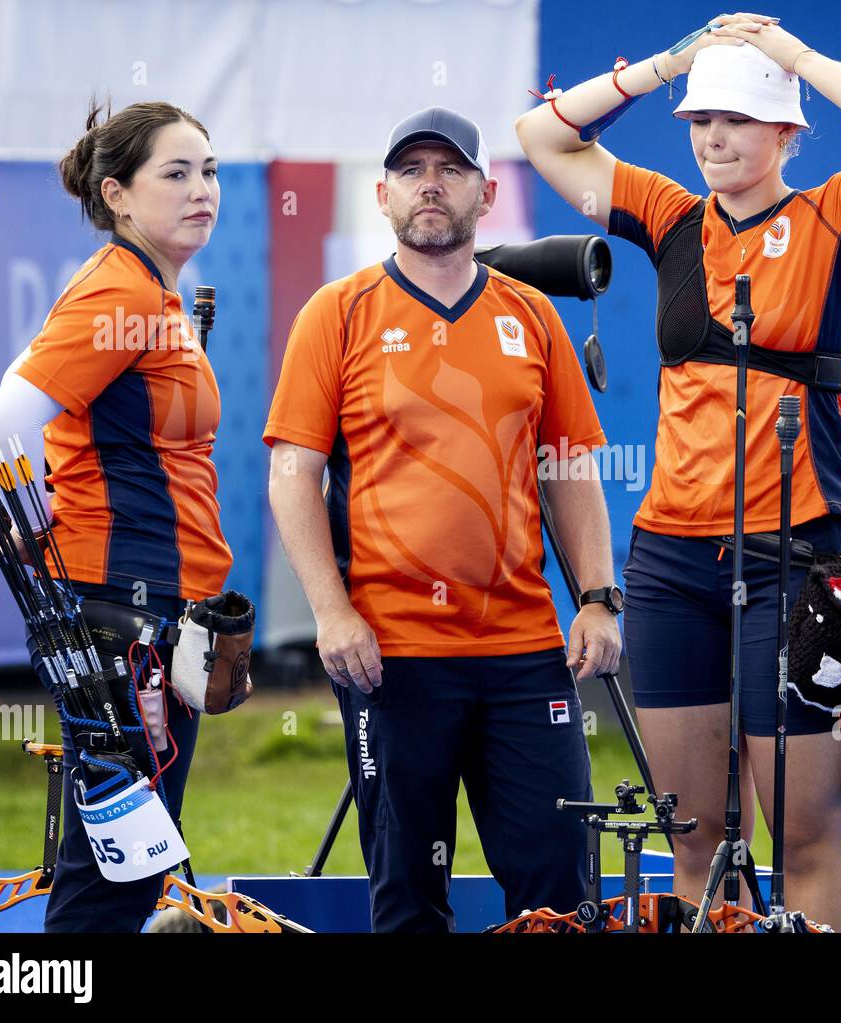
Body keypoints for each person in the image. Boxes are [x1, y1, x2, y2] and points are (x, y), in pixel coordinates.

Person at [515, 13, 841, 929]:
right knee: (695, 833)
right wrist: (669, 64)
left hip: (799, 553)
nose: (713, 138)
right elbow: (541, 135)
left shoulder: (837, 213)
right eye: (701, 120)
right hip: (670, 561)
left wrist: (795, 57)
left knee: (806, 835)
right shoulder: (669, 217)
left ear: (788, 133)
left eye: (738, 120)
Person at [264, 107, 621, 933]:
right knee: (407, 897)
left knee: (559, 892)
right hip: (389, 659)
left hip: (523, 654)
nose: (432, 184)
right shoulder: (337, 313)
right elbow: (293, 478)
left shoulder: (533, 315)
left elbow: (571, 465)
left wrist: (600, 597)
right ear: (384, 195)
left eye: (452, 169)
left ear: (487, 193)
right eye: (413, 171)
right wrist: (330, 611)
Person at [0, 100, 232, 932]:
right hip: (124, 611)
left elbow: (42, 390)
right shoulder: (119, 286)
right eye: (177, 173)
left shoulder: (146, 289)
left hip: (158, 609)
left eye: (210, 171)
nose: (202, 190)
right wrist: (47, 521)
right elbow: (2, 422)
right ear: (118, 194)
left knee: (134, 863)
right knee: (114, 874)